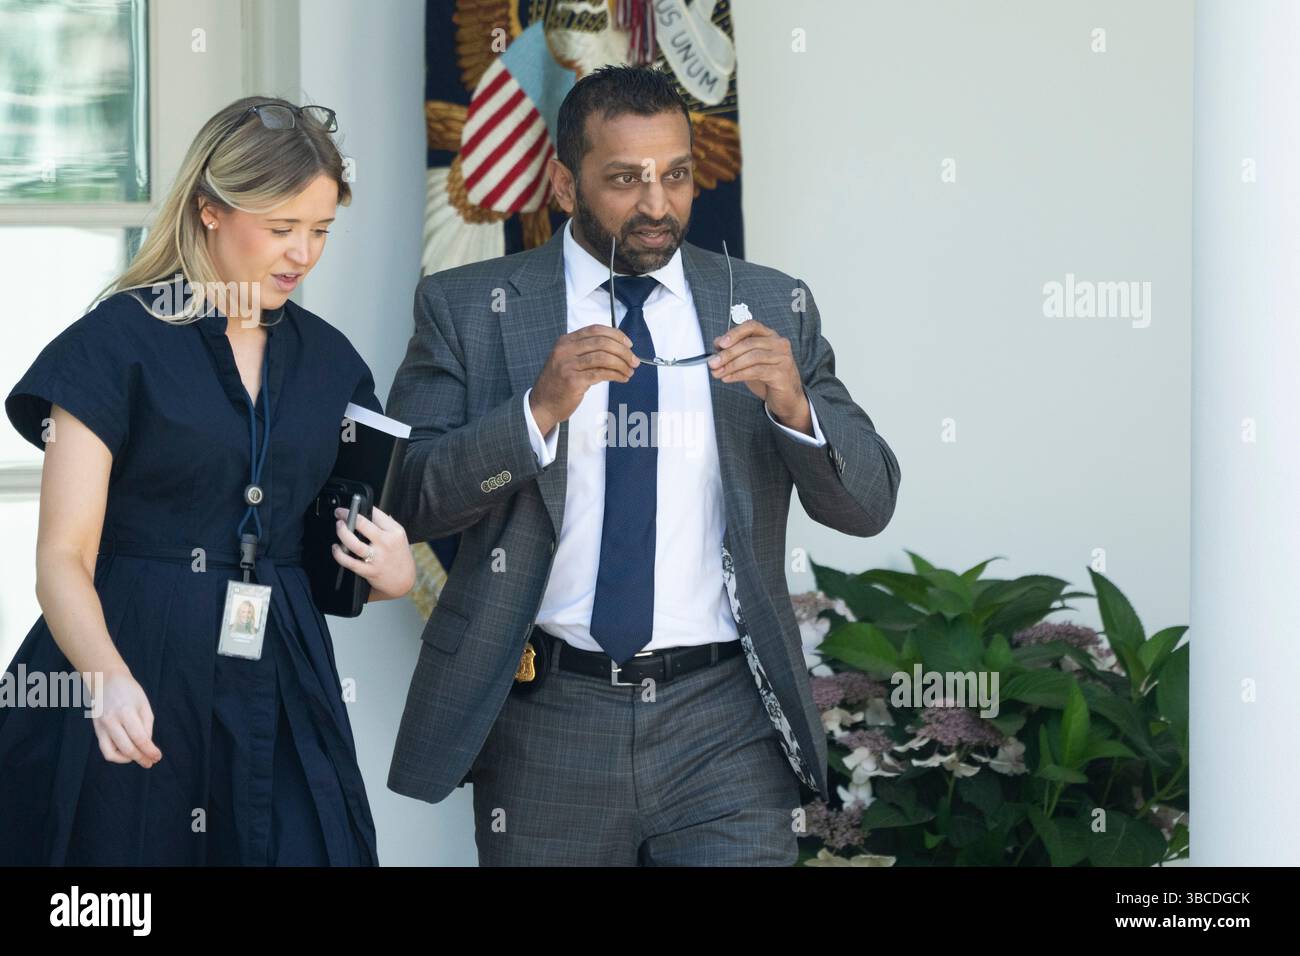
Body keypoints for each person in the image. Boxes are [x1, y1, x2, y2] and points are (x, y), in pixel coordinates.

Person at [384, 65, 901, 865]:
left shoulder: (771, 305)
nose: (657, 205)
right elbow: (410, 496)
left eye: (676, 176)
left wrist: (796, 406)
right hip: (549, 718)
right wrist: (536, 412)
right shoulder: (466, 307)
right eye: (625, 179)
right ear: (563, 183)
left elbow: (868, 505)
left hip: (726, 721)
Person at [0, 96, 415, 865]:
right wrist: (107, 681)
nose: (303, 254)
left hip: (284, 678)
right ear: (210, 211)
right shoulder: (113, 345)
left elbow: (343, 555)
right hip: (132, 667)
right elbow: (61, 557)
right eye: (282, 228)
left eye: (321, 231)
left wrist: (392, 572)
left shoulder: (333, 364)